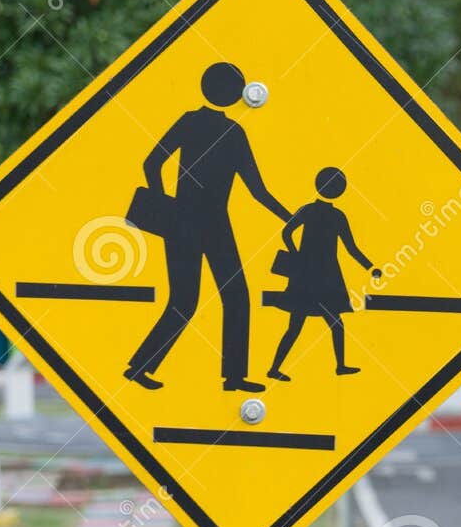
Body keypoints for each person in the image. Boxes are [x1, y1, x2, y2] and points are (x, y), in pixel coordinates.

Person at [124, 62, 291, 393]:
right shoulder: (234, 133)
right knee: (235, 298)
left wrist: (166, 206)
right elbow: (258, 191)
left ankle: (141, 368)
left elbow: (152, 163)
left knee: (185, 301)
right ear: (233, 93)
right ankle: (232, 377)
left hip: (185, 221)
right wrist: (290, 218)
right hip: (213, 223)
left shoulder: (192, 123)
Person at [265, 167, 381, 380]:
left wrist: (296, 254)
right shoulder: (336, 216)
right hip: (324, 276)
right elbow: (351, 249)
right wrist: (370, 268)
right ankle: (277, 368)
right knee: (323, 324)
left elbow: (287, 233)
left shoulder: (309, 210)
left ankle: (337, 366)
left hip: (310, 275)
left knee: (304, 325)